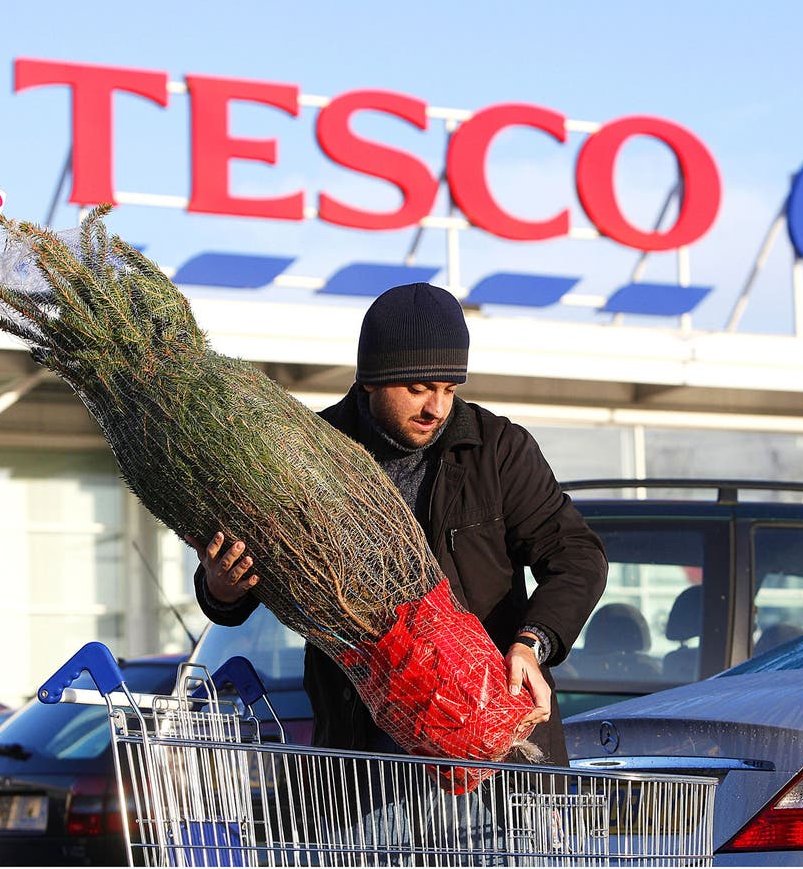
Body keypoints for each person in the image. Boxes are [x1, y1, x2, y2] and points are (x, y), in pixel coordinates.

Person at [190, 282, 608, 768]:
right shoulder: (304, 456)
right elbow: (234, 591)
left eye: (449, 389)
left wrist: (532, 643)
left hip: (496, 743)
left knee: (498, 848)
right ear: (370, 380)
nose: (437, 408)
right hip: (361, 754)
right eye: (418, 389)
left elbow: (578, 556)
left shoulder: (498, 450)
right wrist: (222, 587)